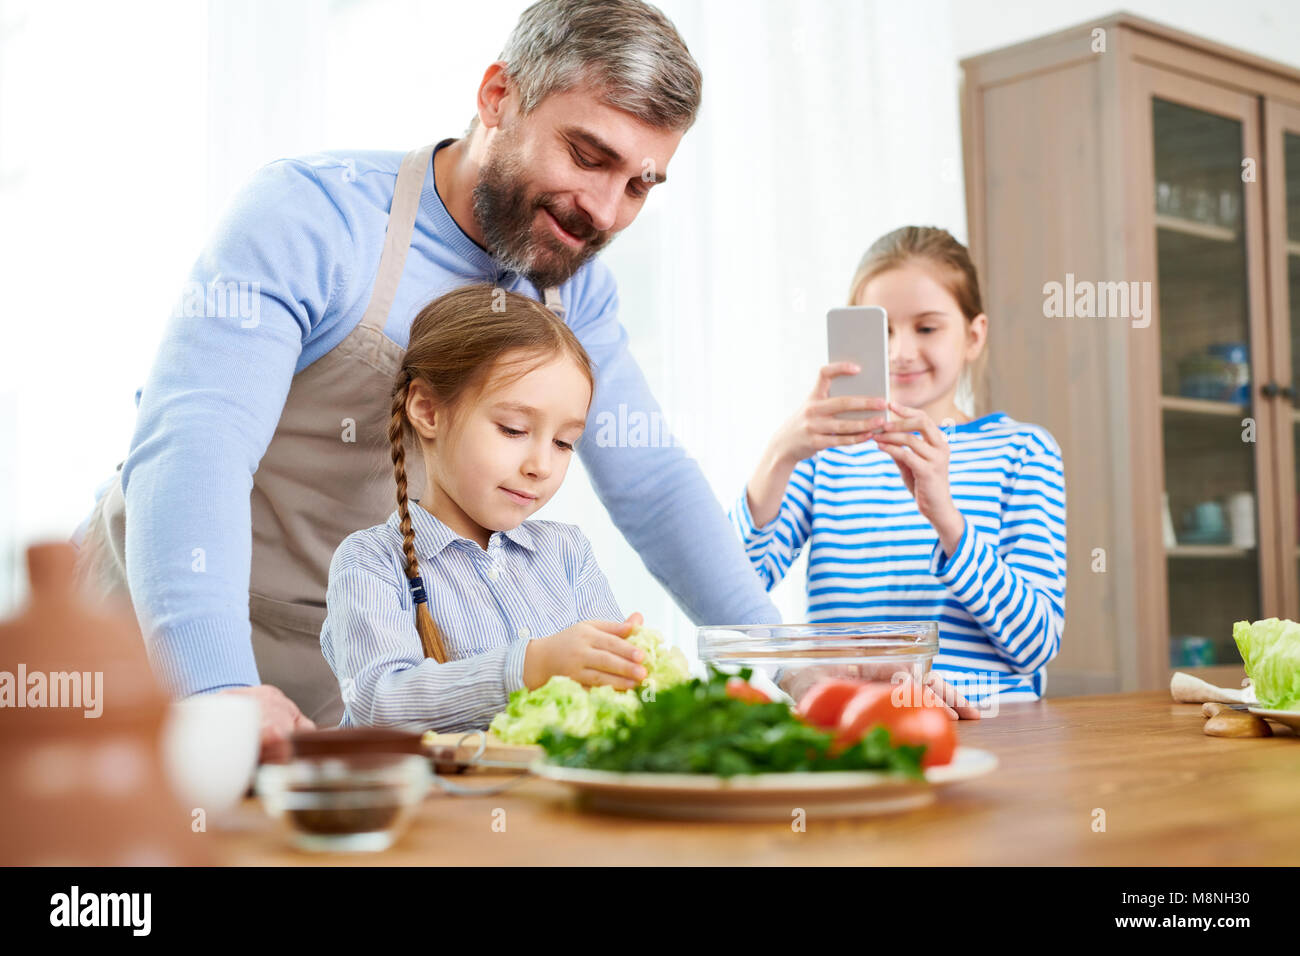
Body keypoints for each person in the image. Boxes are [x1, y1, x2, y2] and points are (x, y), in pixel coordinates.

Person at [75, 0, 779, 761]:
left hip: (336, 682)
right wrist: (213, 691)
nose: (606, 211)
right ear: (497, 97)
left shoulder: (573, 289)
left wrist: (793, 666)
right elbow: (196, 445)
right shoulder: (316, 217)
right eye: (587, 155)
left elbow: (654, 484)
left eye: (641, 185)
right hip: (147, 645)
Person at [732, 226, 1066, 710]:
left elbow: (1034, 643)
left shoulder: (1023, 451)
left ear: (973, 337)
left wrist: (946, 518)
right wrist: (779, 455)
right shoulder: (823, 455)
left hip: (993, 728)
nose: (901, 352)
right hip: (851, 727)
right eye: (881, 330)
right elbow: (733, 590)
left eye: (927, 328)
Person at [322, 284, 649, 730]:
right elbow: (380, 705)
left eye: (563, 442)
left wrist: (629, 666)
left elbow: (613, 696)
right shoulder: (371, 562)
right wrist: (527, 668)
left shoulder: (568, 553)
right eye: (513, 429)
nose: (541, 465)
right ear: (428, 411)